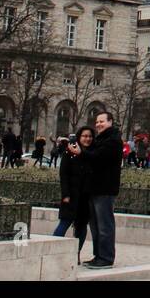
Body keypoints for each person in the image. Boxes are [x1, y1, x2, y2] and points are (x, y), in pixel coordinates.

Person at [72, 110, 122, 269]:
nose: (99, 124)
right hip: (95, 188)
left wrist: (82, 153)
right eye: (97, 122)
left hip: (104, 189)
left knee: (104, 225)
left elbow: (98, 157)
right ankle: (98, 256)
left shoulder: (113, 140)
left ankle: (106, 258)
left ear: (110, 122)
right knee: (95, 226)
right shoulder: (101, 139)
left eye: (102, 121)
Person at [53, 126, 93, 259]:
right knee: (64, 223)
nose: (87, 139)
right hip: (71, 195)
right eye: (84, 136)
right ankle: (53, 251)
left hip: (85, 197)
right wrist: (65, 195)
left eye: (89, 136)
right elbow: (63, 175)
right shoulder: (69, 152)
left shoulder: (92, 153)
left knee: (81, 228)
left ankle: (76, 255)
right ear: (79, 137)